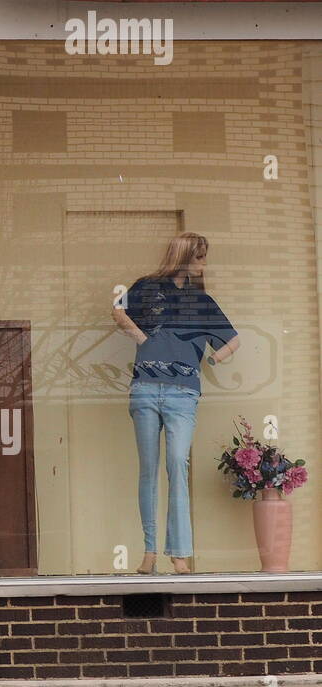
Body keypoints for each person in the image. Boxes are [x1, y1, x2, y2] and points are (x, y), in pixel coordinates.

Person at [112, 232, 239, 574]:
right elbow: (118, 310)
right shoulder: (147, 286)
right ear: (184, 256)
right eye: (199, 257)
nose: (204, 264)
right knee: (148, 469)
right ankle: (150, 551)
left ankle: (179, 554)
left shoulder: (202, 301)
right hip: (145, 388)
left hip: (183, 393)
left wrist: (210, 361)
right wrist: (141, 338)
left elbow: (232, 340)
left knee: (177, 464)